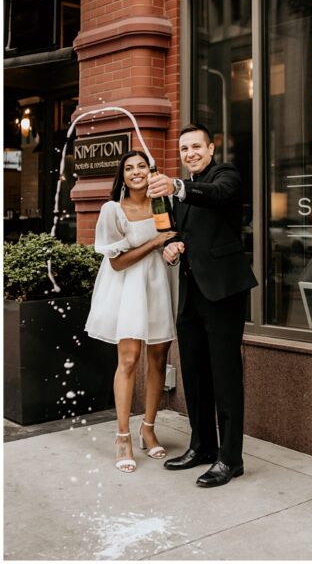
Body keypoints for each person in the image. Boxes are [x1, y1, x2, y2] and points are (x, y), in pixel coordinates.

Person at [147, 124, 258, 488]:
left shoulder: (225, 175)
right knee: (194, 376)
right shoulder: (182, 190)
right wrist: (172, 246)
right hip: (192, 294)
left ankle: (230, 459)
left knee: (225, 377)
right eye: (184, 149)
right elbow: (182, 233)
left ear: (211, 148)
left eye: (196, 146)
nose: (190, 153)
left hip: (223, 292)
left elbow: (219, 194)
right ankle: (203, 447)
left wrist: (177, 186)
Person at [86, 151, 177, 472]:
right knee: (128, 359)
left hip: (158, 285)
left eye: (142, 166)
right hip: (128, 291)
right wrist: (155, 243)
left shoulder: (164, 204)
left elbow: (173, 241)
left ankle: (148, 429)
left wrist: (172, 248)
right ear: (122, 176)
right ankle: (122, 436)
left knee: (158, 359)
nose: (136, 172)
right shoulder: (113, 210)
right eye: (129, 168)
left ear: (151, 172)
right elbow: (116, 262)